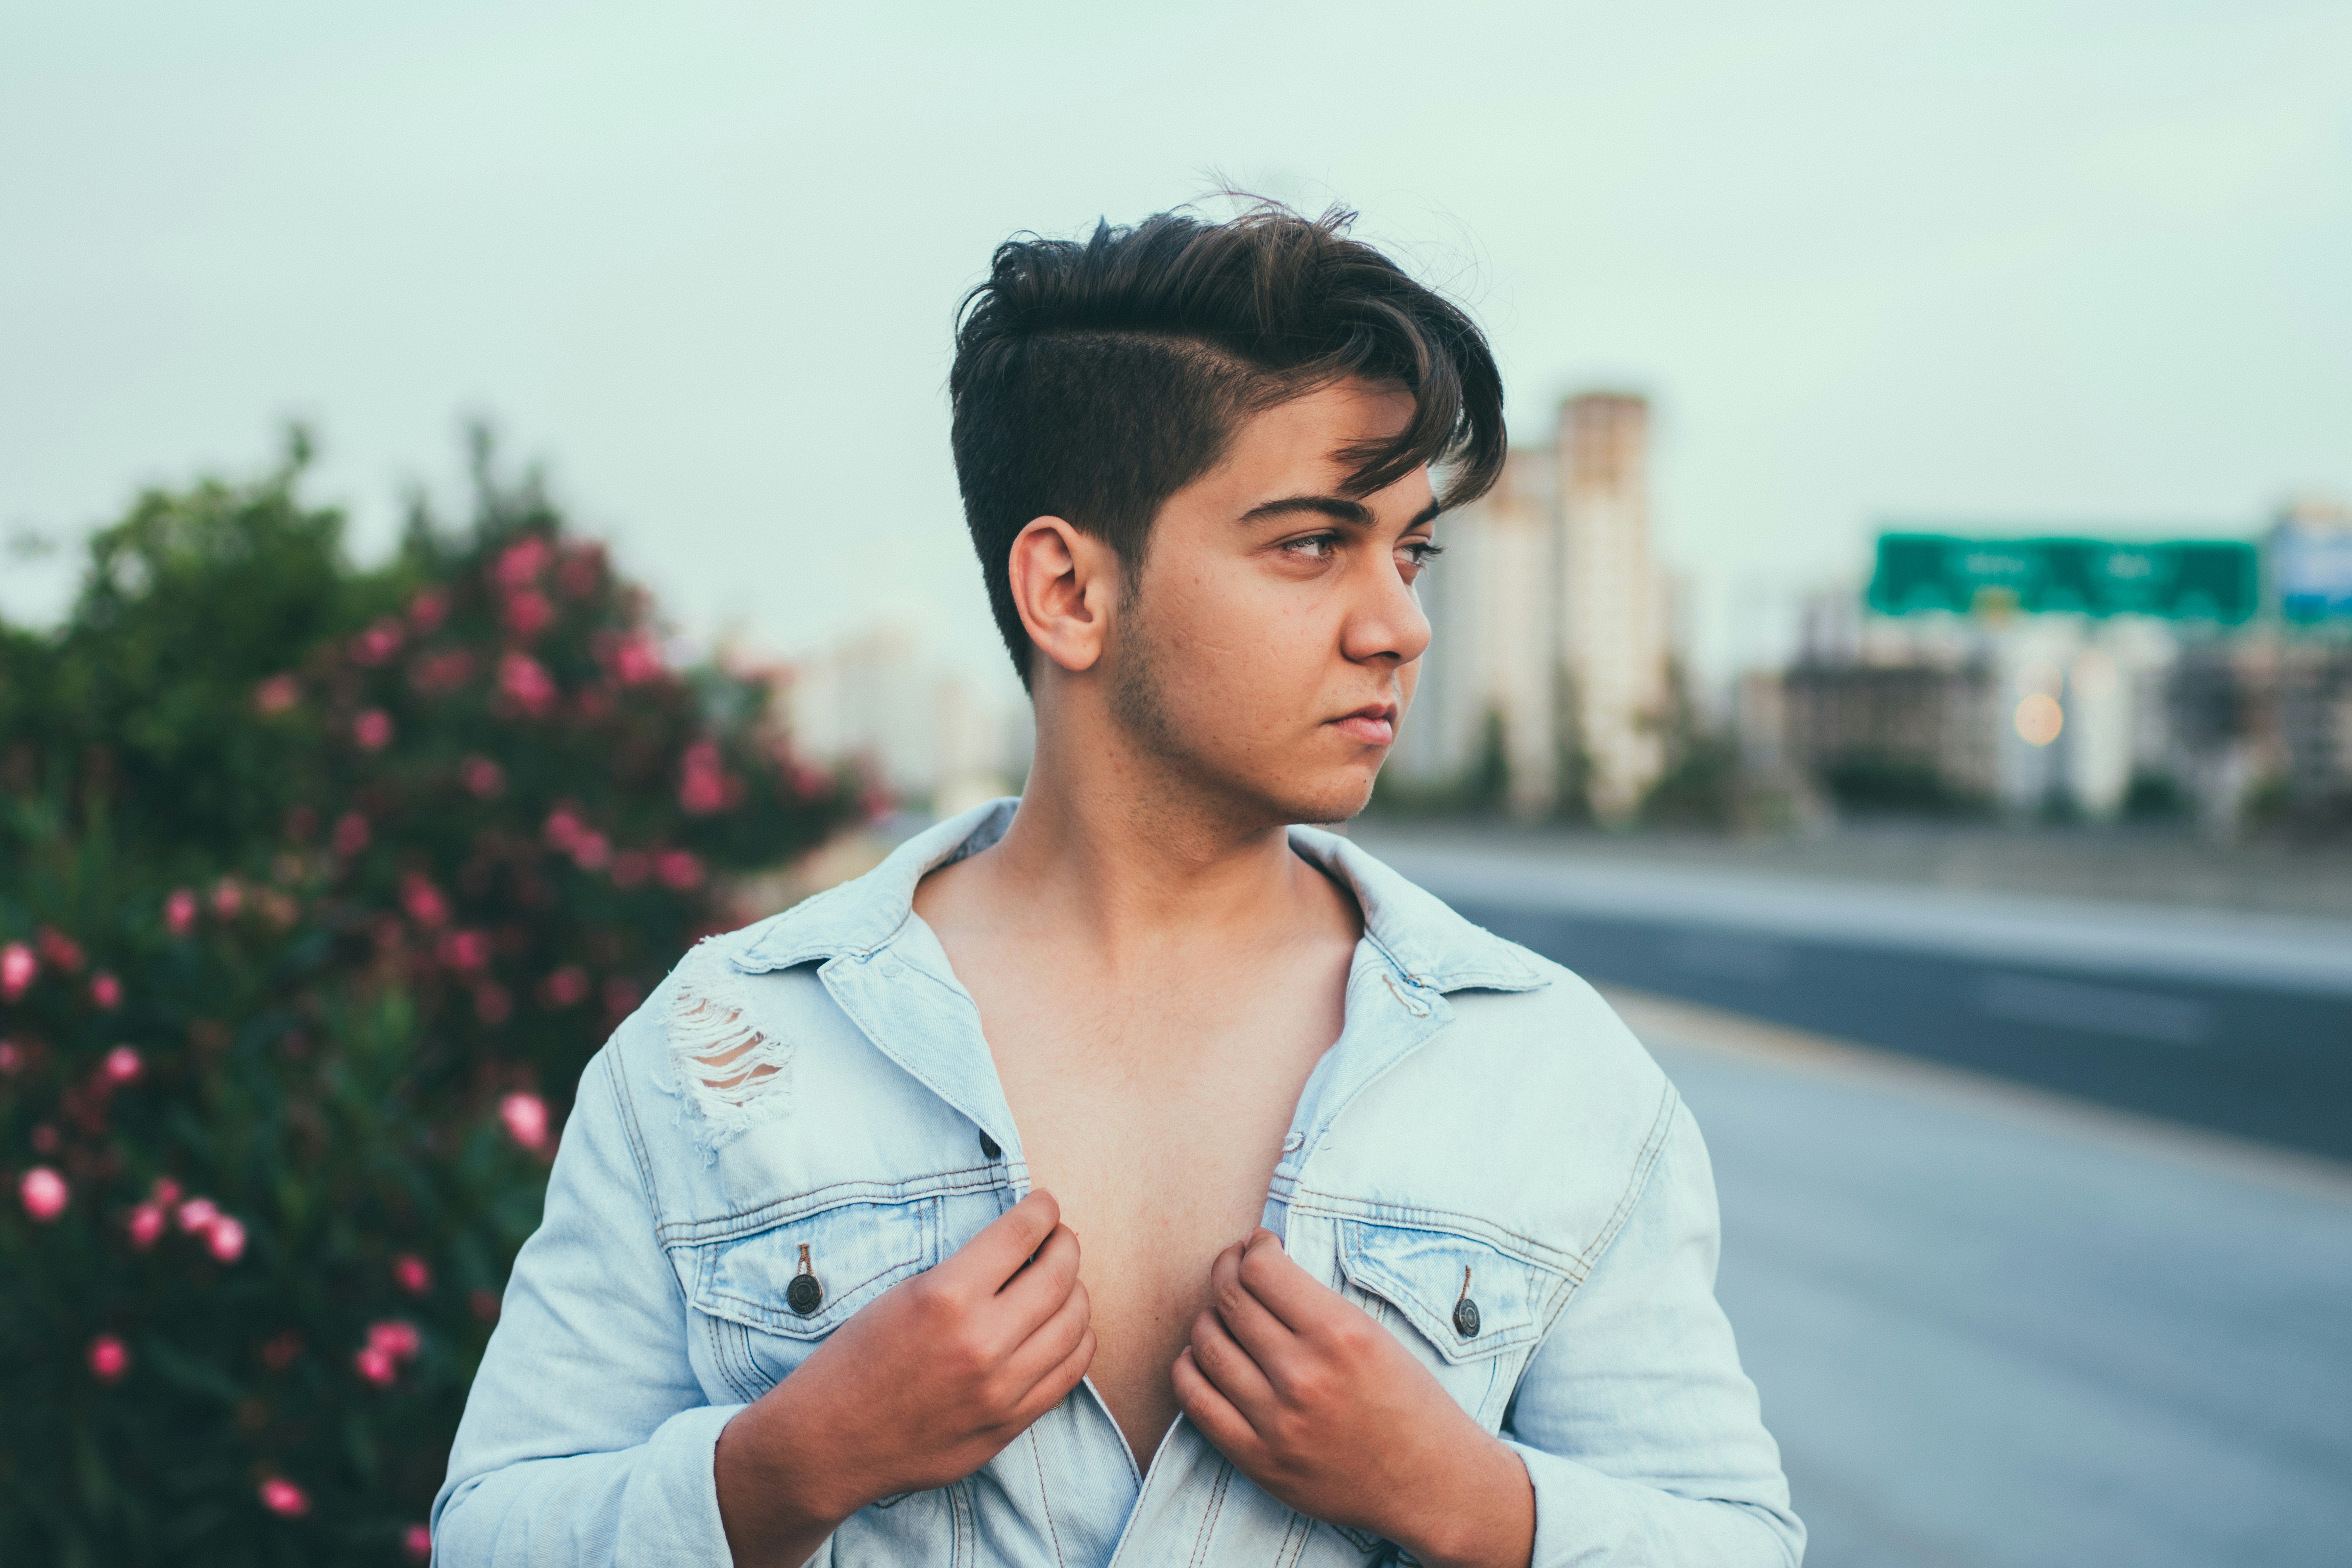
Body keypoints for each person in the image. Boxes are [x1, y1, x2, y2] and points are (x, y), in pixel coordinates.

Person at [432, 205, 1802, 1568]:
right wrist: (792, 1466)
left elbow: (1735, 1542)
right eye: (1312, 544)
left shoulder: (1547, 1072)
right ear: (1070, 591)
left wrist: (1468, 1500)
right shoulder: (722, 1047)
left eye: (1411, 552)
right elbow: (493, 1533)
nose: (1400, 625)